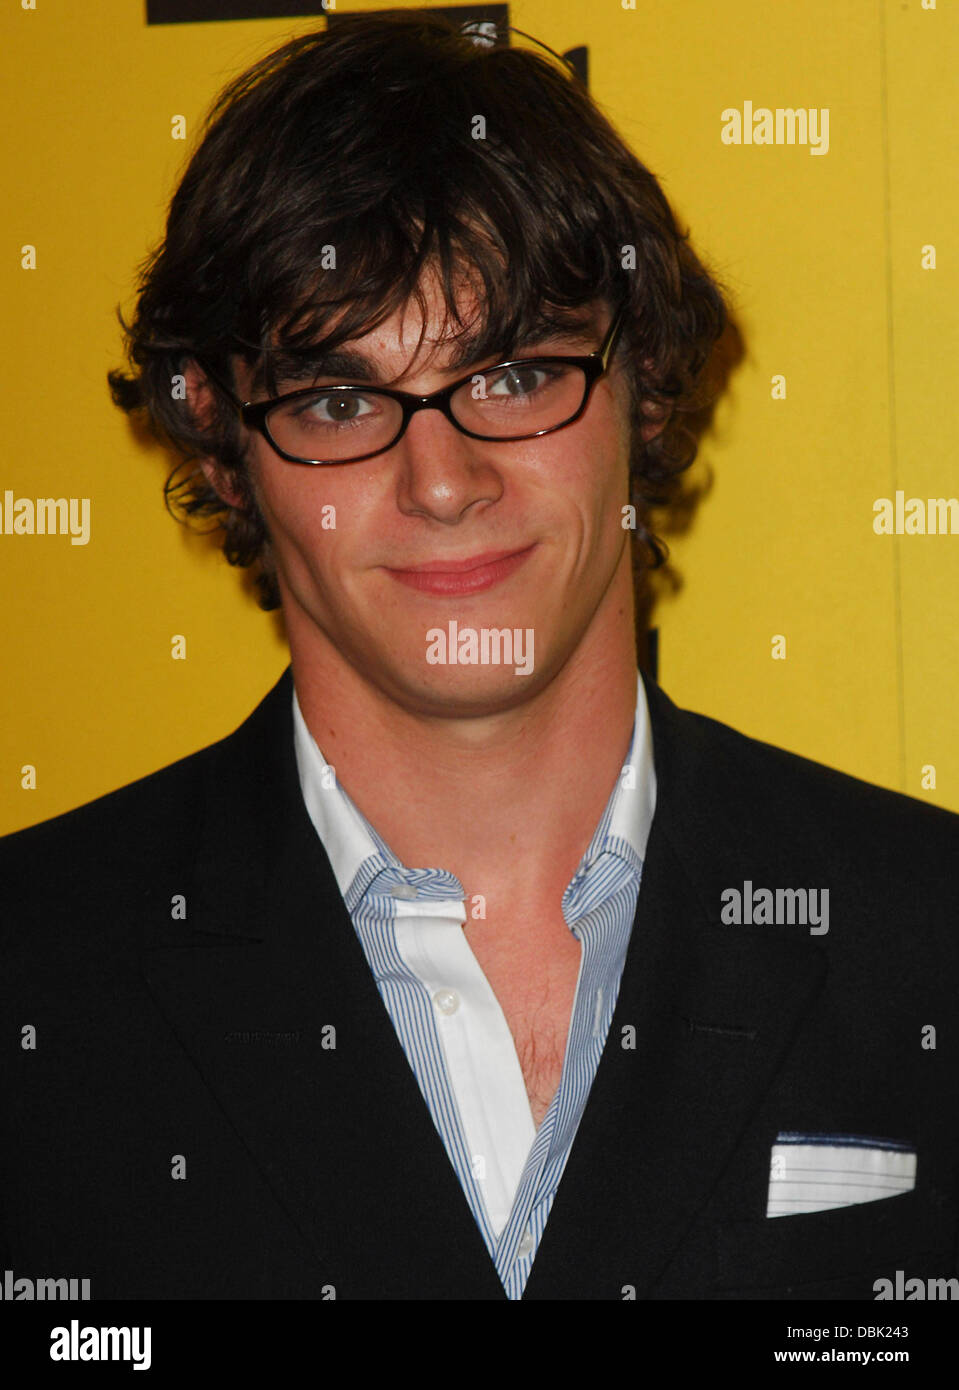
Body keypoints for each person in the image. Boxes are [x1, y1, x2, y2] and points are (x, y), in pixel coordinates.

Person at [1, 12, 957, 1302]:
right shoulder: (36, 978)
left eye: (511, 373)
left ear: (646, 387)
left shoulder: (928, 933)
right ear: (227, 448)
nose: (441, 479)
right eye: (339, 401)